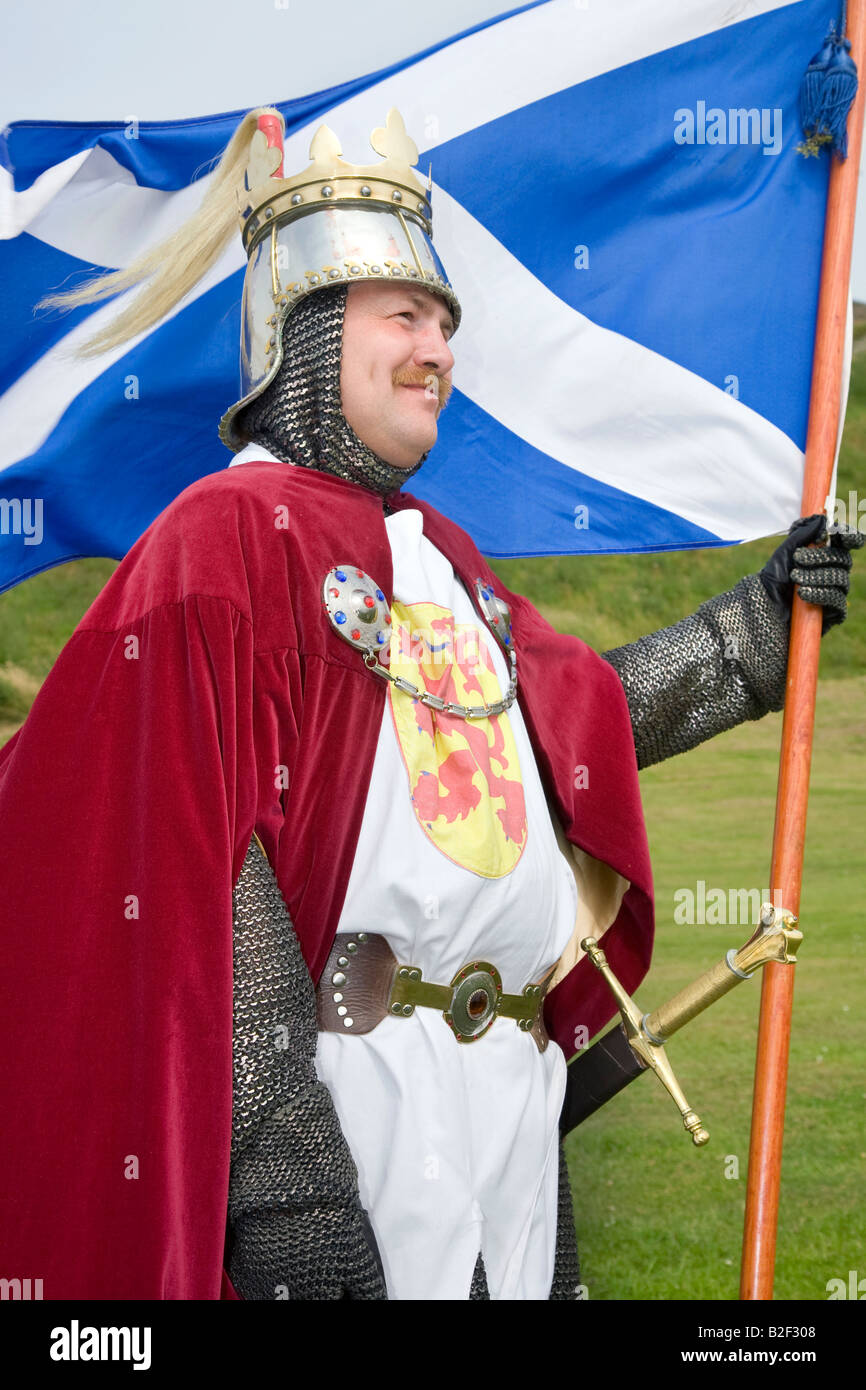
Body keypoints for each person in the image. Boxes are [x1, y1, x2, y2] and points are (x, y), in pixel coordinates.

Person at [0, 107, 860, 1302]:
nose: (437, 350)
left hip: (503, 1115)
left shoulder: (436, 556)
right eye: (403, 315)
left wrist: (752, 631)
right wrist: (286, 1175)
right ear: (304, 334)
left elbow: (554, 731)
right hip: (350, 1107)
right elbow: (202, 852)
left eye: (445, 325)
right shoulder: (224, 541)